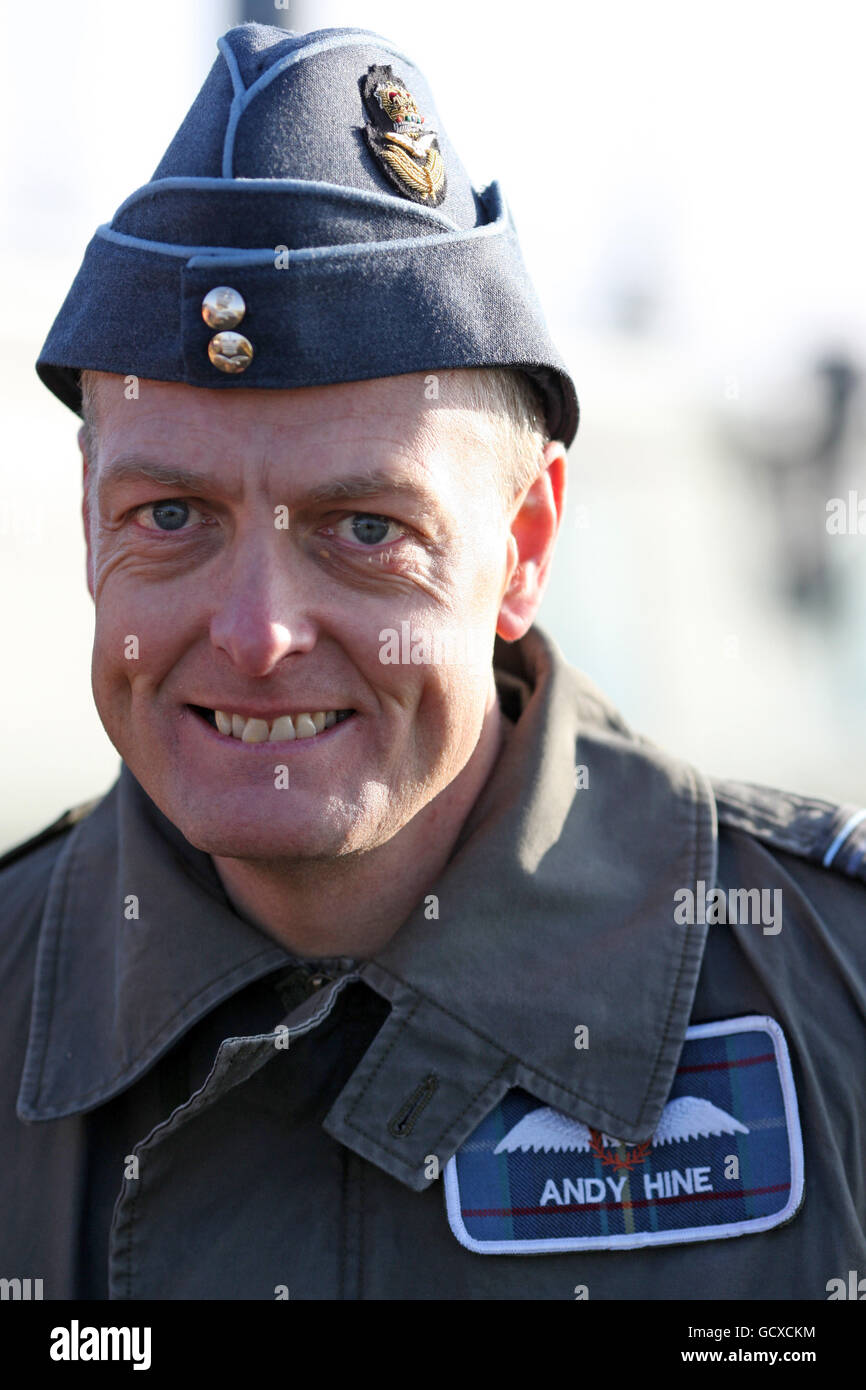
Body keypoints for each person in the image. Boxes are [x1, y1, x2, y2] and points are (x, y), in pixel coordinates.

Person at [1, 21, 863, 1302]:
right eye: (170, 518)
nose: (254, 635)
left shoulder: (831, 998)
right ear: (88, 527)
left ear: (520, 547)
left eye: (365, 530)